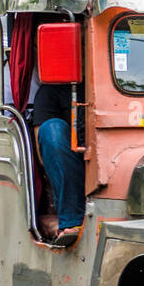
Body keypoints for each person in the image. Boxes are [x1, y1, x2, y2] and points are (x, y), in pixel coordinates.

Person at [30, 83, 84, 247]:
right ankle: (72, 221)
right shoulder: (51, 92)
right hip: (74, 169)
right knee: (51, 129)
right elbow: (43, 156)